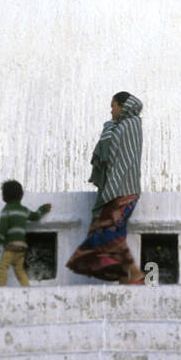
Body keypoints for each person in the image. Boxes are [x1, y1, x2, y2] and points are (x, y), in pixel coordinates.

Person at [67, 92, 144, 284]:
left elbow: (122, 158)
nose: (111, 111)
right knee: (110, 231)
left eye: (113, 106)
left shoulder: (131, 124)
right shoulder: (117, 126)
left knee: (111, 233)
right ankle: (126, 275)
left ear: (122, 106)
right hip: (116, 189)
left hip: (125, 188)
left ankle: (133, 274)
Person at [0, 179, 51, 287]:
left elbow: (2, 229)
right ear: (21, 195)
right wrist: (43, 208)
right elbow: (36, 216)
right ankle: (27, 288)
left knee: (3, 267)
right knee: (19, 270)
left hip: (10, 247)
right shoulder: (23, 210)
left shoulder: (6, 211)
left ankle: (1, 289)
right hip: (22, 247)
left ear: (4, 197)